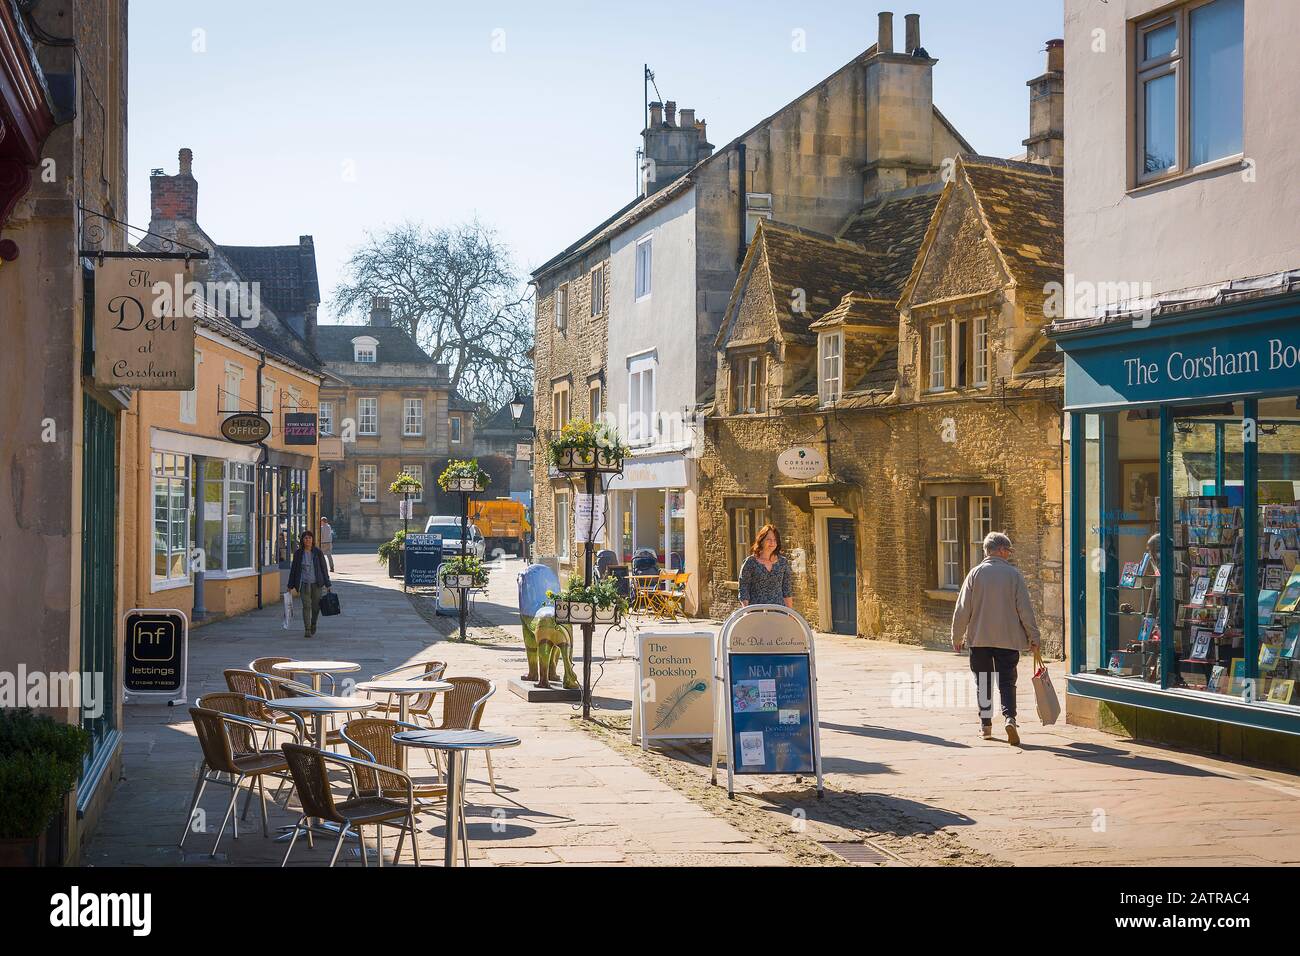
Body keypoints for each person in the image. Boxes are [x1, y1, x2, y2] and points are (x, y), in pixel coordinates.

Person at [951, 531, 1040, 745]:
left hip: (979, 639)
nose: (1009, 554)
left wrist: (957, 635)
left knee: (984, 681)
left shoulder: (975, 574)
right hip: (1008, 640)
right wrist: (1033, 636)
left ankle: (986, 726)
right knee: (1007, 682)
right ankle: (1010, 718)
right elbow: (1025, 610)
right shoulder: (1014, 575)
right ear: (1000, 550)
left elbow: (962, 609)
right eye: (1008, 550)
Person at [738, 523, 794, 609]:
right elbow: (743, 590)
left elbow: (787, 591)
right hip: (756, 612)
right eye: (769, 539)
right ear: (761, 540)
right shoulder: (750, 562)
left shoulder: (783, 562)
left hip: (779, 612)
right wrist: (746, 611)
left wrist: (790, 614)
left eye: (775, 540)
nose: (772, 543)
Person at [288, 530, 332, 639]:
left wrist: (328, 584)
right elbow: (294, 570)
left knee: (316, 607)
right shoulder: (298, 553)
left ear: (312, 540)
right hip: (304, 584)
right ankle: (307, 629)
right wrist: (290, 585)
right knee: (306, 606)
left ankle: (313, 624)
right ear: (302, 540)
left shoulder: (317, 552)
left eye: (310, 538)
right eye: (305, 538)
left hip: (317, 584)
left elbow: (323, 568)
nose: (308, 540)